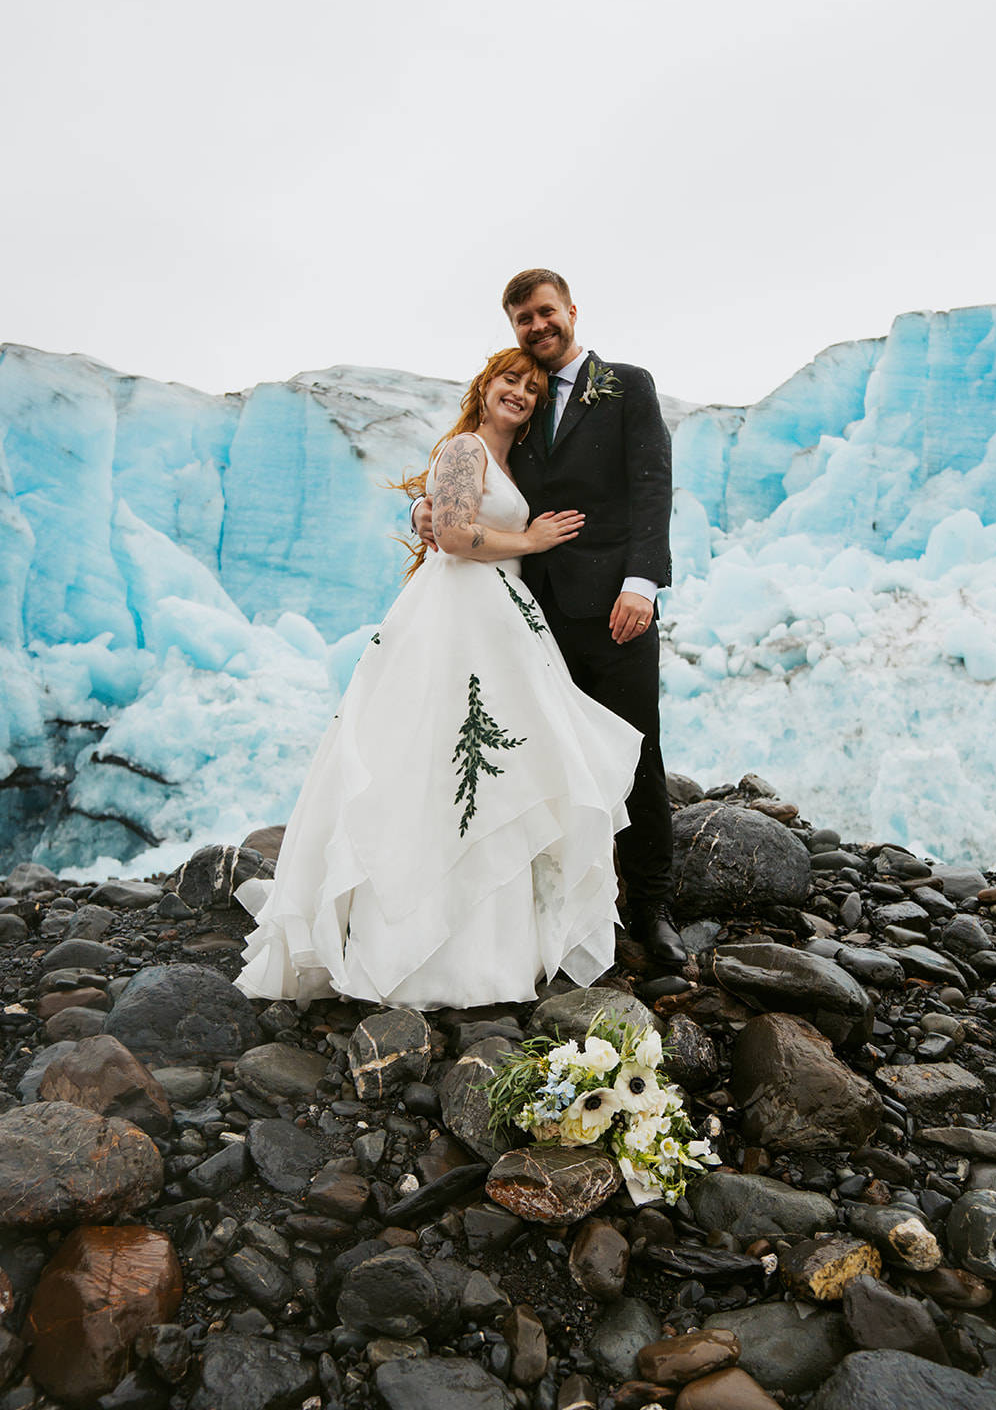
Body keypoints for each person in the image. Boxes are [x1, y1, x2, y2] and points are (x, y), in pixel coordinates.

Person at [235, 347, 642, 1010]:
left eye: (533, 388)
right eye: (509, 379)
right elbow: (452, 535)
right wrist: (531, 541)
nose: (520, 392)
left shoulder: (510, 461)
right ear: (485, 386)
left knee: (504, 770)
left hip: (499, 620)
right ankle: (426, 950)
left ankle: (499, 946)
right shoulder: (464, 450)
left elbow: (449, 520)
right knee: (435, 762)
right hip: (457, 616)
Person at [414, 268, 685, 966]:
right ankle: (560, 900)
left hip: (616, 609)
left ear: (569, 309)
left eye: (543, 312)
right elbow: (478, 472)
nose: (536, 327)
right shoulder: (521, 402)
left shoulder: (626, 385)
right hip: (533, 614)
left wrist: (641, 583)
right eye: (521, 320)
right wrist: (425, 511)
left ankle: (650, 905)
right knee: (546, 755)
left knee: (634, 750)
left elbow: (651, 486)